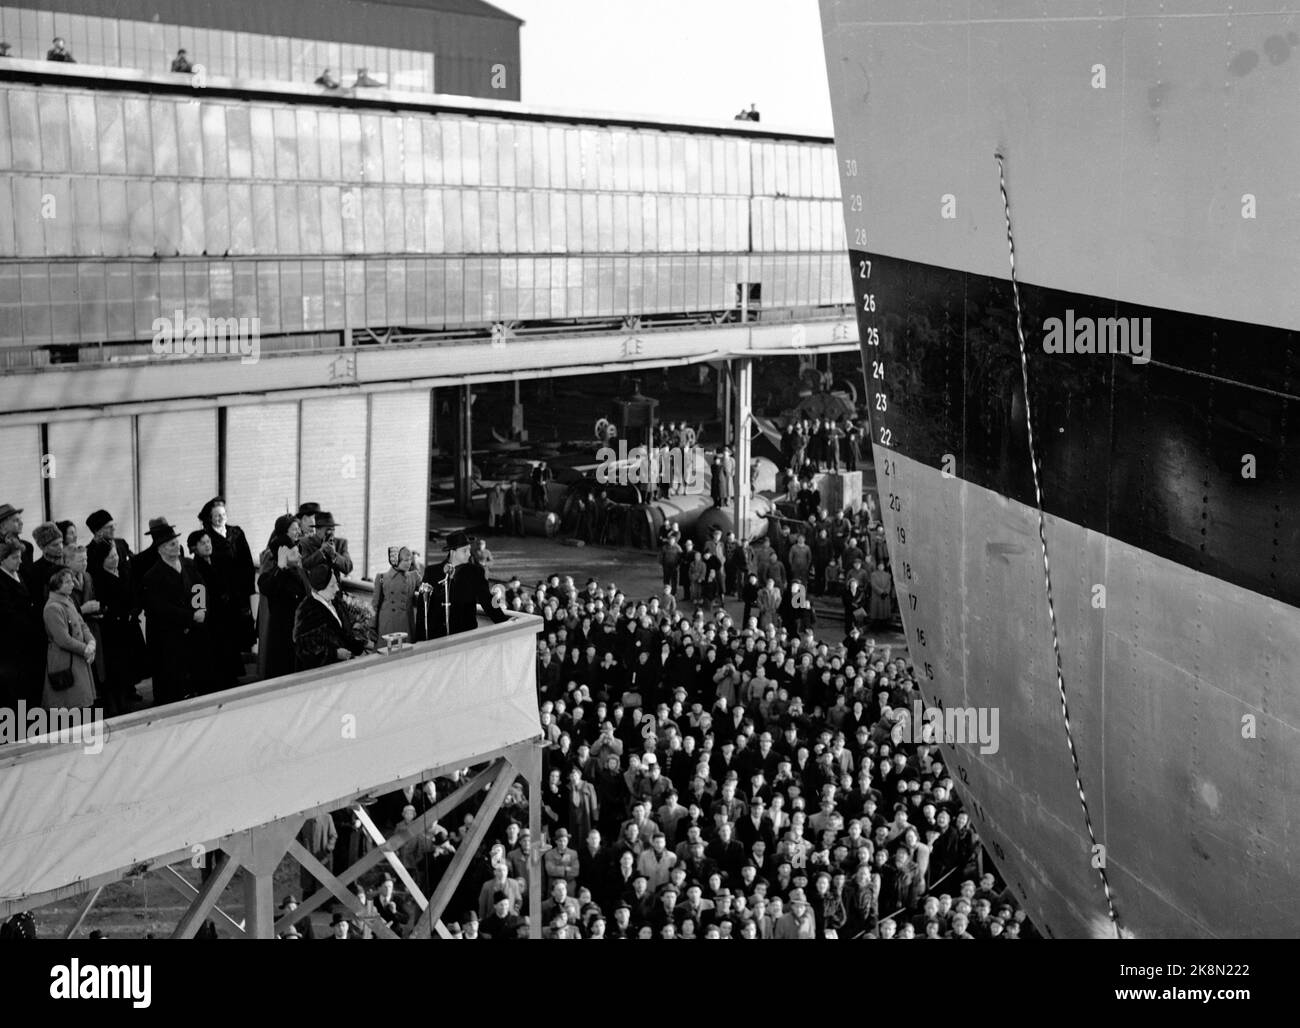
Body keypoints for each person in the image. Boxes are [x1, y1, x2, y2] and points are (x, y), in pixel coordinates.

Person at [142, 522, 210, 705]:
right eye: (171, 544)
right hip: (169, 636)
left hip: (194, 631)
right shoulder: (152, 576)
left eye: (176, 542)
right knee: (172, 680)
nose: (177, 547)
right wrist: (189, 617)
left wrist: (200, 609)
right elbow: (160, 608)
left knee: (195, 674)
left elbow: (199, 587)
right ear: (161, 549)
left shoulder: (188, 564)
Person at [413, 531, 509, 640]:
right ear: (453, 552)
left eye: (469, 549)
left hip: (465, 636)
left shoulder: (476, 572)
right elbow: (422, 608)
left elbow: (488, 601)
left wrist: (505, 623)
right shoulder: (432, 572)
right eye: (465, 550)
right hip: (437, 637)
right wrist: (420, 639)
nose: (469, 554)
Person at [197, 498, 255, 675]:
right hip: (220, 591)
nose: (220, 518)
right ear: (209, 517)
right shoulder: (206, 537)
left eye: (223, 514)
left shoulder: (236, 532)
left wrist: (248, 589)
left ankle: (236, 669)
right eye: (216, 515)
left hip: (239, 590)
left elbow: (247, 561)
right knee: (223, 632)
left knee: (239, 630)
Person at [88, 540, 144, 716]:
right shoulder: (98, 579)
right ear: (102, 560)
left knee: (127, 665)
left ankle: (125, 699)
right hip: (111, 630)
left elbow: (135, 595)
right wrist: (117, 613)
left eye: (116, 555)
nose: (115, 559)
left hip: (129, 625)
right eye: (111, 556)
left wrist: (134, 611)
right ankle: (113, 703)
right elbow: (102, 604)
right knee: (114, 669)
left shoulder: (125, 572)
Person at [256, 514, 306, 679]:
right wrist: (281, 568)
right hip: (279, 618)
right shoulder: (272, 557)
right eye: (294, 529)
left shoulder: (296, 557)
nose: (298, 532)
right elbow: (266, 585)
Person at [293, 563, 367, 671]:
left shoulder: (335, 602)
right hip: (321, 673)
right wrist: (334, 653)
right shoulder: (306, 611)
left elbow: (342, 634)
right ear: (320, 587)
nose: (337, 589)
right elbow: (303, 650)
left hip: (340, 667)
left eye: (336, 584)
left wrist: (360, 644)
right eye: (332, 586)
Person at [43, 568, 96, 711]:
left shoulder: (68, 601)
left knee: (80, 704)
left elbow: (82, 624)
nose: (72, 584)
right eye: (67, 581)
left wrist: (91, 642)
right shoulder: (53, 608)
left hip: (76, 659)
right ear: (57, 584)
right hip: (65, 661)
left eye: (72, 580)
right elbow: (63, 639)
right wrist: (85, 649)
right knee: (69, 706)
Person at [0, 538, 45, 707]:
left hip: (27, 638)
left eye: (20, 556)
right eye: (15, 558)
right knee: (16, 687)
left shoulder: (18, 574)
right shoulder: (1, 580)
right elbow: (8, 613)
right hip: (13, 642)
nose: (20, 560)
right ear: (2, 559)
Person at [373, 546, 421, 642]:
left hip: (406, 622)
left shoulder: (414, 576)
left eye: (410, 559)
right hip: (388, 623)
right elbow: (375, 605)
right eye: (406, 560)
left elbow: (425, 588)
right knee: (387, 652)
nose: (409, 563)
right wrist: (372, 627)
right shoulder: (381, 578)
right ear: (396, 561)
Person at [299, 510, 352, 586]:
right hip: (314, 592)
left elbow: (348, 567)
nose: (331, 534)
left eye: (333, 530)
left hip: (334, 591)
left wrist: (334, 555)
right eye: (328, 530)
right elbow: (303, 566)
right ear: (318, 530)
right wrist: (320, 552)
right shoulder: (305, 543)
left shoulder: (340, 543)